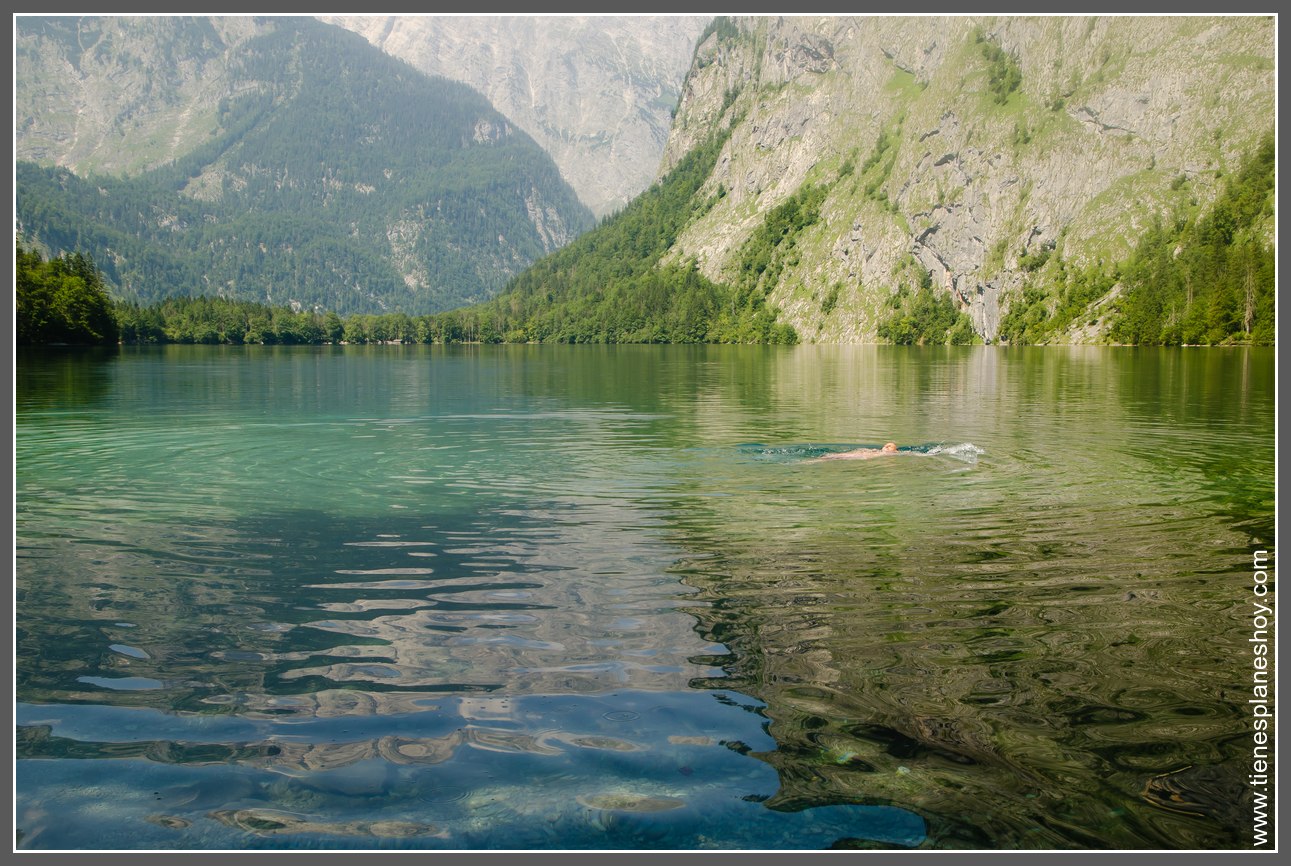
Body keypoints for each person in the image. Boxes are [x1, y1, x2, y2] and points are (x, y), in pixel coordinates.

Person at [818, 442, 899, 461]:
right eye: (886, 446)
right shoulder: (884, 453)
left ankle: (816, 460)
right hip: (861, 455)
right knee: (837, 456)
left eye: (888, 447)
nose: (886, 447)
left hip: (860, 455)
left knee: (836, 456)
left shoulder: (891, 453)